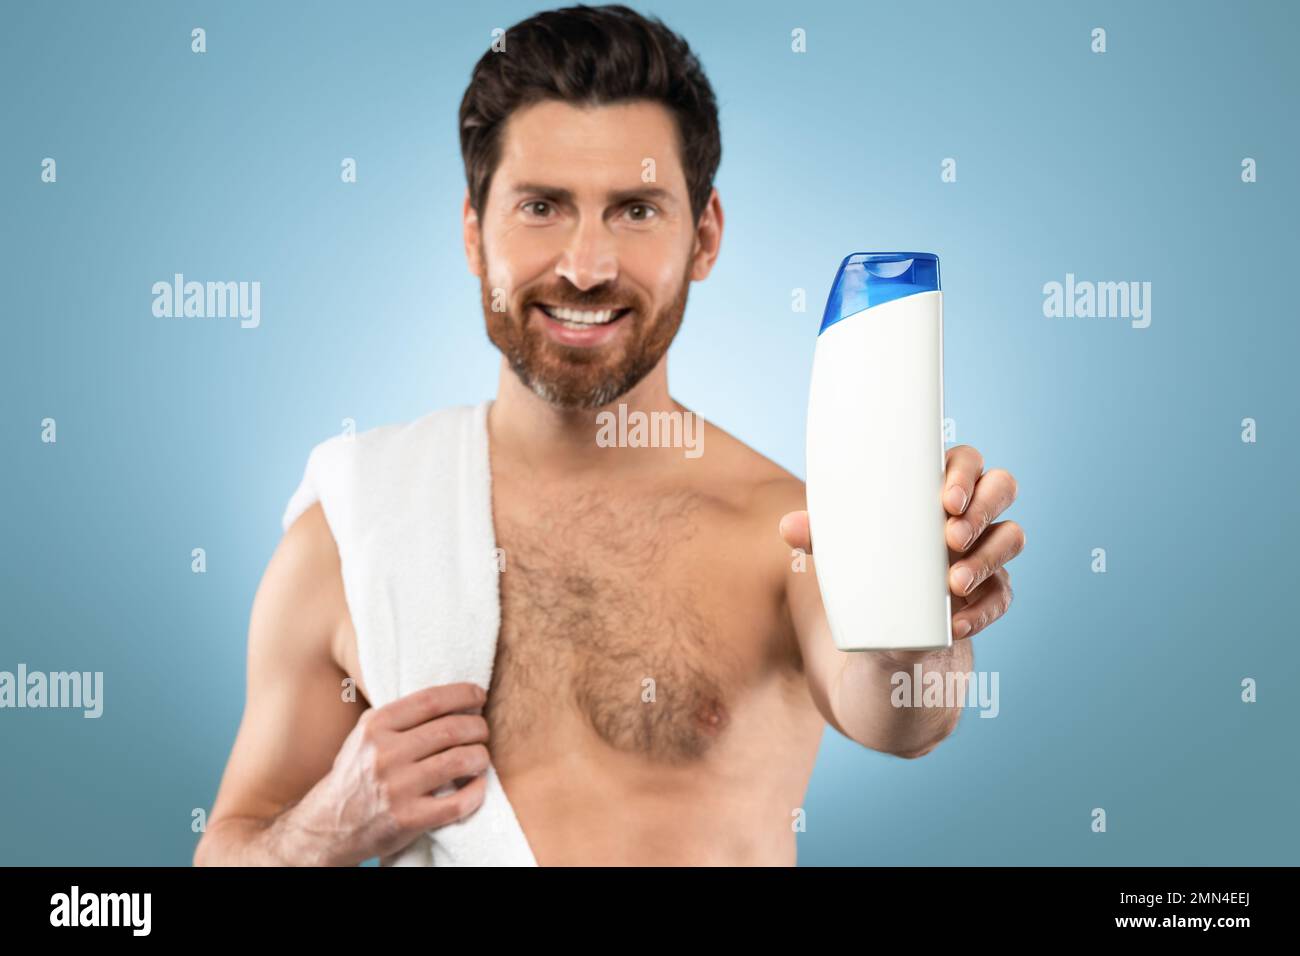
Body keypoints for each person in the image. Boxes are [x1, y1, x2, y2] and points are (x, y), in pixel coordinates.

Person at [194, 3, 1024, 867]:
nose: (586, 266)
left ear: (703, 238)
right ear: (474, 234)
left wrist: (918, 618)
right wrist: (334, 818)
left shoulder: (785, 532)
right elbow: (228, 854)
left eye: (634, 210)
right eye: (542, 206)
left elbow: (903, 718)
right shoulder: (354, 534)